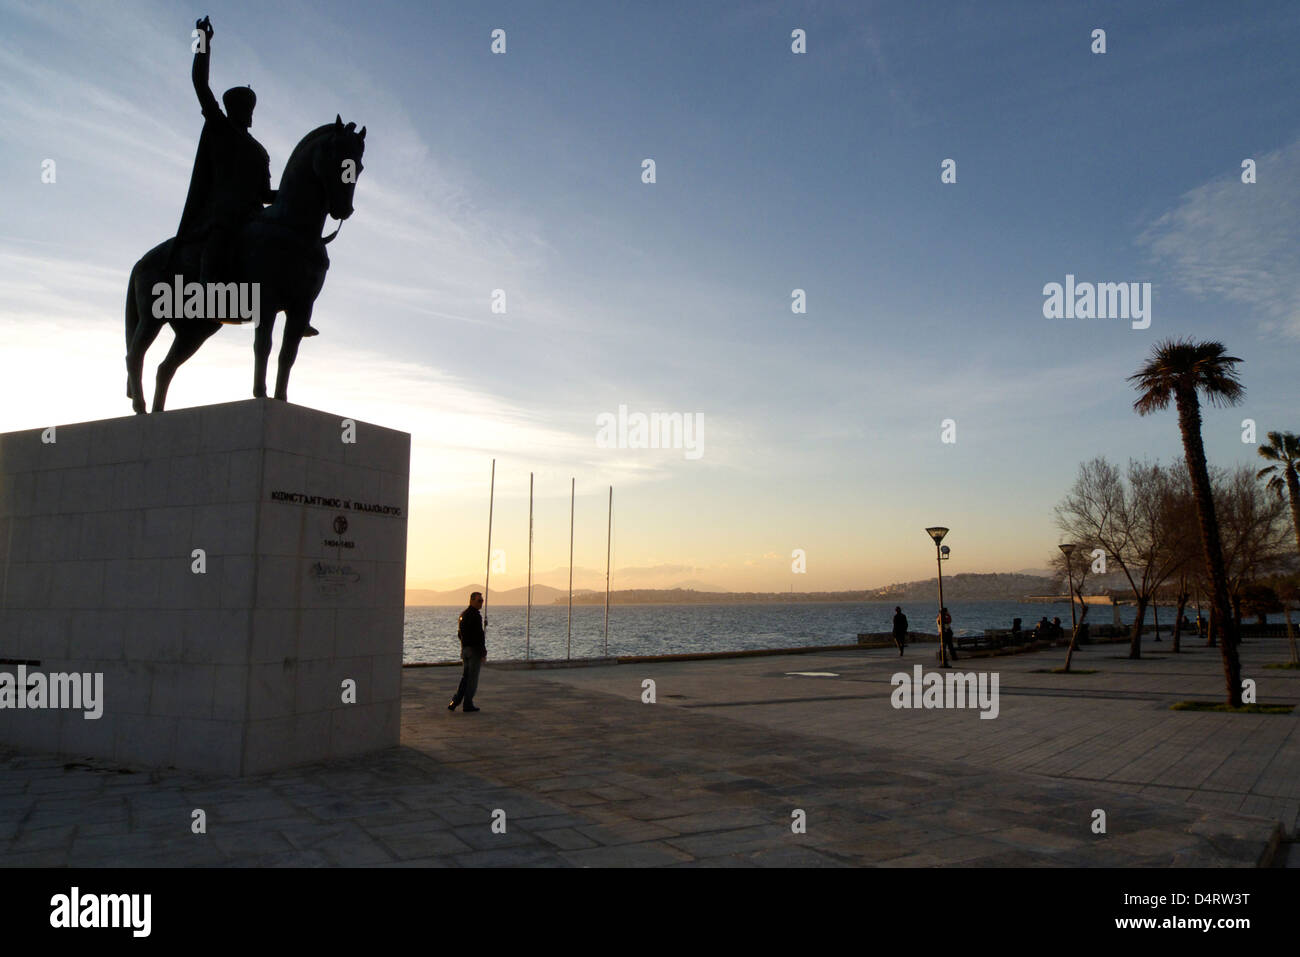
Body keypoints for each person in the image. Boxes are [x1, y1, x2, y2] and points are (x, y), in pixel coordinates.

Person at [176, 17, 319, 335]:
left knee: (285, 243)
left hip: (255, 215)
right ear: (234, 109)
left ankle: (294, 305)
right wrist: (202, 43)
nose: (250, 113)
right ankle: (210, 299)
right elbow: (200, 84)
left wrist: (295, 197)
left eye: (251, 108)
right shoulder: (221, 128)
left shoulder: (260, 150)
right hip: (225, 215)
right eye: (246, 108)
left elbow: (264, 193)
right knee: (220, 241)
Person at [449, 591, 487, 712]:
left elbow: (459, 634)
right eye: (479, 600)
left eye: (482, 601)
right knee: (472, 679)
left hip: (465, 650)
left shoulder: (463, 614)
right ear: (471, 601)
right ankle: (468, 703)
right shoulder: (476, 616)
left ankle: (455, 701)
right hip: (473, 651)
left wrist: (464, 646)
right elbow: (479, 636)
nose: (481, 603)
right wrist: (483, 652)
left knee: (465, 677)